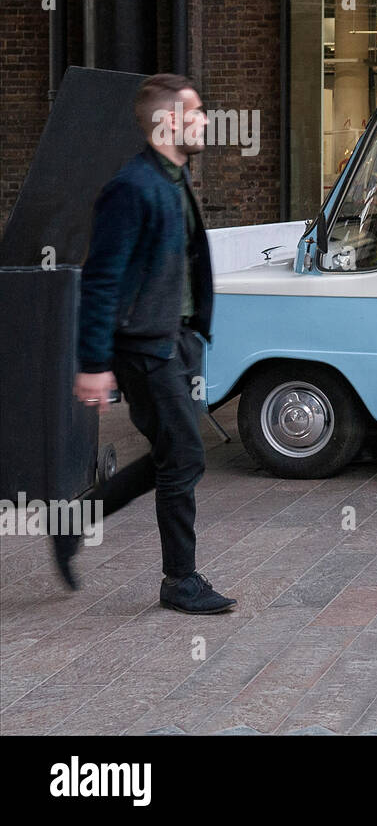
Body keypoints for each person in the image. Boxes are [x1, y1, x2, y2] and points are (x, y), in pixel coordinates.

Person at [60, 74, 236, 614]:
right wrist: (93, 363)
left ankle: (75, 521)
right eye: (197, 111)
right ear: (168, 121)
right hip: (145, 347)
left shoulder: (173, 178)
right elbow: (101, 280)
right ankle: (179, 581)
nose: (206, 120)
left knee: (172, 454)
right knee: (183, 455)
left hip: (176, 342)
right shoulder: (131, 187)